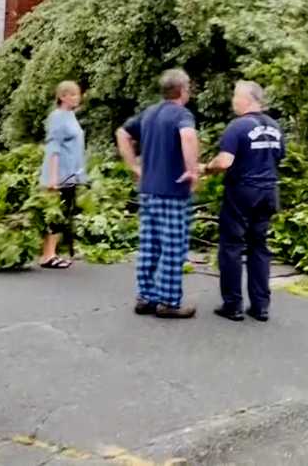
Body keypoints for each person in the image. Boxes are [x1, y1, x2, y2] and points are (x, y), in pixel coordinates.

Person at [115, 69, 201, 319]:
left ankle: (146, 297)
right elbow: (188, 136)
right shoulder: (182, 114)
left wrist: (134, 166)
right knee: (173, 247)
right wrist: (192, 170)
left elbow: (122, 133)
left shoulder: (150, 113)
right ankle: (169, 302)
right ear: (182, 90)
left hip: (148, 191)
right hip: (172, 192)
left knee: (149, 246)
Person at [202, 81, 285, 322]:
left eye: (236, 96)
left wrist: (207, 167)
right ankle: (260, 306)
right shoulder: (275, 127)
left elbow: (225, 161)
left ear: (248, 99)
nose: (233, 101)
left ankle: (233, 305)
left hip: (242, 192)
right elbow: (279, 157)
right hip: (268, 192)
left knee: (232, 246)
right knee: (259, 246)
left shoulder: (237, 127)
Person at [38, 80, 86, 269]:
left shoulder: (70, 115)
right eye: (72, 95)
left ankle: (53, 252)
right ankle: (48, 255)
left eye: (77, 94)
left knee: (64, 213)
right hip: (59, 174)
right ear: (62, 97)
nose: (76, 98)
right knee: (55, 214)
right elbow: (54, 147)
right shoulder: (58, 117)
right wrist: (52, 177)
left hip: (70, 173)